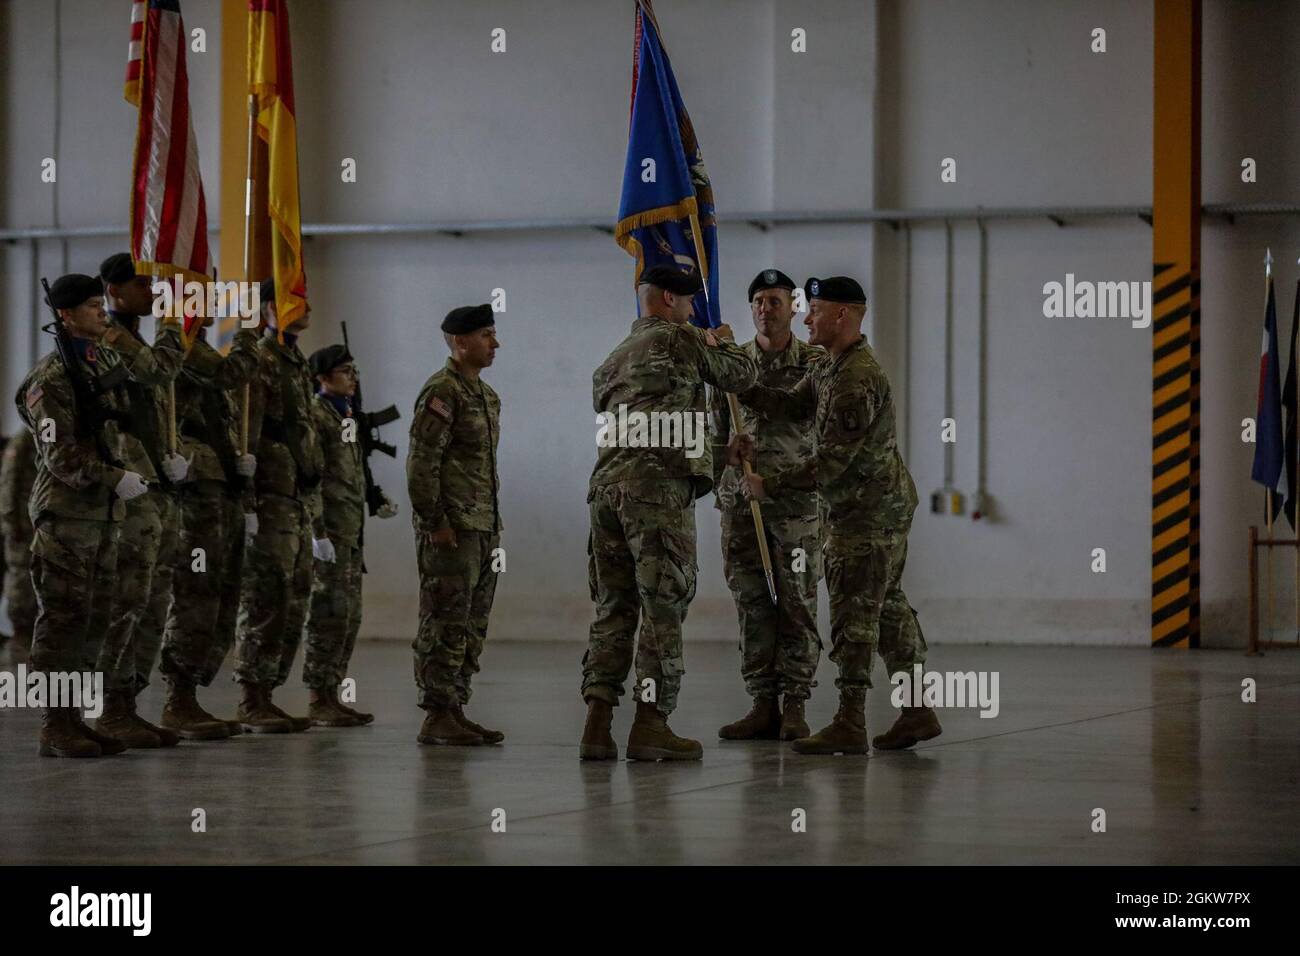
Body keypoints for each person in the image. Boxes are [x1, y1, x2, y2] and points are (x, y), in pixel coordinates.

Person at [741, 276, 942, 754]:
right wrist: (735, 380)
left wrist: (771, 484)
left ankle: (850, 721)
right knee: (888, 611)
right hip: (868, 510)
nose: (805, 317)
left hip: (867, 515)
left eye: (814, 310)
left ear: (844, 316)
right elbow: (790, 404)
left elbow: (831, 463)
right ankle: (917, 711)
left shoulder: (855, 379)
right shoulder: (833, 367)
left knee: (855, 615)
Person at [578, 265, 757, 762]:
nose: (692, 308)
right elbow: (743, 375)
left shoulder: (611, 360)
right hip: (655, 499)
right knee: (663, 609)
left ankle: (596, 726)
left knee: (614, 610)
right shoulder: (682, 341)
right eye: (686, 300)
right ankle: (651, 724)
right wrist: (722, 341)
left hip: (606, 495)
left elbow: (652, 430)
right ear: (664, 299)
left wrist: (721, 452)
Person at [15, 274, 147, 757]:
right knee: (64, 620)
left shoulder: (97, 366)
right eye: (93, 306)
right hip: (67, 517)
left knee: (95, 619)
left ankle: (77, 718)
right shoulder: (51, 379)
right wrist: (114, 478)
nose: (102, 312)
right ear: (66, 314)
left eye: (101, 304)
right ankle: (55, 724)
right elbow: (59, 456)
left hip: (102, 516)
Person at [713, 268, 825, 742]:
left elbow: (823, 431)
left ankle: (796, 702)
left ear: (793, 307)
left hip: (795, 504)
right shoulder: (732, 364)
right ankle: (762, 701)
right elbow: (717, 428)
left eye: (775, 301)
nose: (765, 308)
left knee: (797, 602)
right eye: (758, 300)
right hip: (743, 504)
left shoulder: (815, 363)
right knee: (752, 603)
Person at [89, 253, 189, 748]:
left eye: (155, 285)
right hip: (129, 487)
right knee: (127, 599)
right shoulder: (110, 337)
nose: (153, 292)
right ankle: (110, 706)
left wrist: (173, 456)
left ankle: (128, 702)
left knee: (154, 598)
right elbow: (159, 371)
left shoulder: (131, 334)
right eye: (143, 285)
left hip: (155, 481)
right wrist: (174, 317)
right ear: (114, 291)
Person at [158, 287, 261, 738]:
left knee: (222, 588)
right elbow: (233, 374)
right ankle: (178, 698)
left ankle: (190, 694)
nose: (208, 308)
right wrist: (247, 333)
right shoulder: (183, 351)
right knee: (197, 590)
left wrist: (242, 469)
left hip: (219, 486)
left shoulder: (197, 348)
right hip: (196, 489)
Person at [407, 304, 504, 746]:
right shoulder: (441, 392)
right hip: (452, 528)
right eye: (486, 335)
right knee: (443, 618)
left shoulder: (485, 396)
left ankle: (456, 705)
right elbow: (422, 463)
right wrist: (434, 521)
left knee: (470, 622)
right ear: (460, 342)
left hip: (482, 526)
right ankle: (436, 711)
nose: (495, 343)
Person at [232, 279, 322, 732]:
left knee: (294, 598)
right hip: (268, 497)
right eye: (295, 298)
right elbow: (246, 431)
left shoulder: (296, 360)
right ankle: (251, 696)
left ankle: (269, 690)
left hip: (295, 499)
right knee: (266, 595)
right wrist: (246, 503)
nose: (306, 305)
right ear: (270, 307)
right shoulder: (261, 359)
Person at [302, 344, 397, 726]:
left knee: (349, 616)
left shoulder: (347, 415)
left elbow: (352, 472)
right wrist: (316, 532)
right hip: (328, 533)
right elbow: (310, 476)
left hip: (351, 531)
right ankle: (317, 696)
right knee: (327, 613)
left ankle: (333, 691)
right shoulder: (317, 415)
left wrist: (373, 498)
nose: (353, 378)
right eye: (345, 371)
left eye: (354, 370)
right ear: (323, 378)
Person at [0, 429, 38, 665]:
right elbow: (9, 481)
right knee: (21, 578)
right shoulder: (24, 439)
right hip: (22, 525)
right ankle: (20, 632)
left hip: (40, 524)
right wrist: (10, 521)